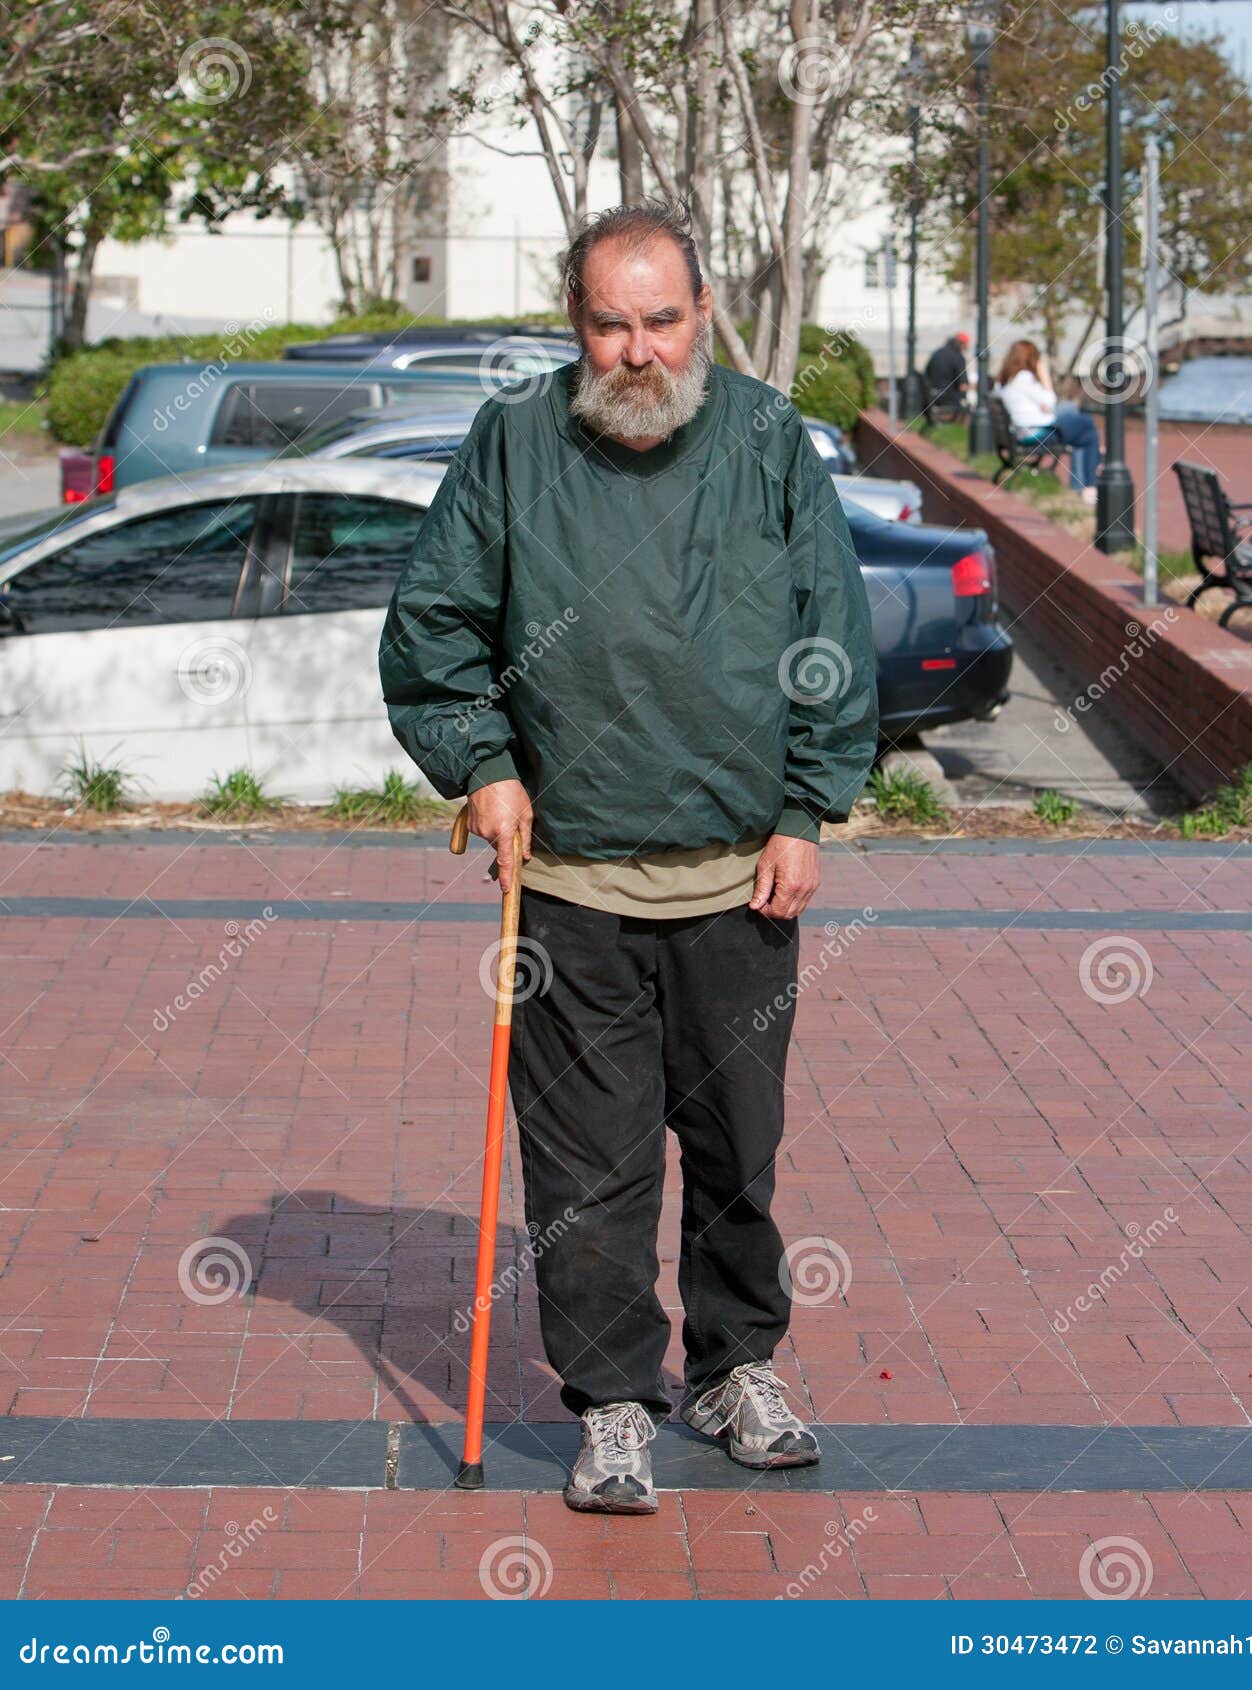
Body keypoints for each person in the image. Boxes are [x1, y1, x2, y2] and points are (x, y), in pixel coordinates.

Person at [378, 199, 877, 1516]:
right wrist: (481, 765)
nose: (637, 351)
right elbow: (434, 621)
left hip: (740, 877)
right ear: (575, 325)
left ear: (698, 317)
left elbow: (829, 628)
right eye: (610, 323)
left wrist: (804, 808)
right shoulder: (514, 442)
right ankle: (608, 1398)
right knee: (586, 1165)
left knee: (735, 1148)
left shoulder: (767, 439)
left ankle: (735, 1366)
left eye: (661, 320)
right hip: (571, 884)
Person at [994, 339, 1102, 505]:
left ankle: (1085, 485)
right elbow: (1050, 400)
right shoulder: (1024, 378)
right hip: (1037, 434)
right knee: (1087, 426)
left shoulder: (1004, 380)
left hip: (1022, 430)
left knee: (1077, 421)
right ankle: (1089, 485)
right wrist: (1044, 377)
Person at [923, 330, 971, 417]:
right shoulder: (958, 357)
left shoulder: (936, 353)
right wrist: (964, 399)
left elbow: (926, 374)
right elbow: (963, 385)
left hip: (931, 396)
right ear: (963, 344)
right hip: (949, 398)